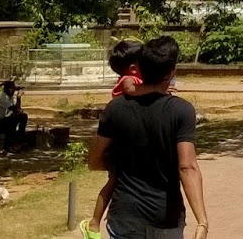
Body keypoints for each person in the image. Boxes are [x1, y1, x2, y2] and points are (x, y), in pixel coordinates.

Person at [90, 36, 209, 239]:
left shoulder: (116, 108)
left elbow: (94, 161)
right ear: (171, 72)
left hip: (125, 217)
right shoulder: (181, 110)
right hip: (166, 218)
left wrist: (116, 167)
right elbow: (187, 167)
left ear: (140, 68)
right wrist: (202, 221)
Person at [86, 40, 150, 239]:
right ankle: (94, 223)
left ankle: (95, 222)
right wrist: (155, 91)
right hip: (118, 142)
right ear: (133, 67)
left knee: (115, 181)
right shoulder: (128, 80)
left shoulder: (134, 79)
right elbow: (132, 92)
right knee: (114, 181)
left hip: (123, 137)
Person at [0, 80, 27, 149]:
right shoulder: (2, 99)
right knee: (13, 119)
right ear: (5, 89)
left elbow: (18, 111)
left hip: (1, 123)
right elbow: (15, 109)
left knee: (23, 116)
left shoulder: (11, 99)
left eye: (14, 89)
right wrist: (19, 97)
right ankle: (9, 145)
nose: (13, 90)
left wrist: (18, 101)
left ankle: (20, 140)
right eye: (11, 88)